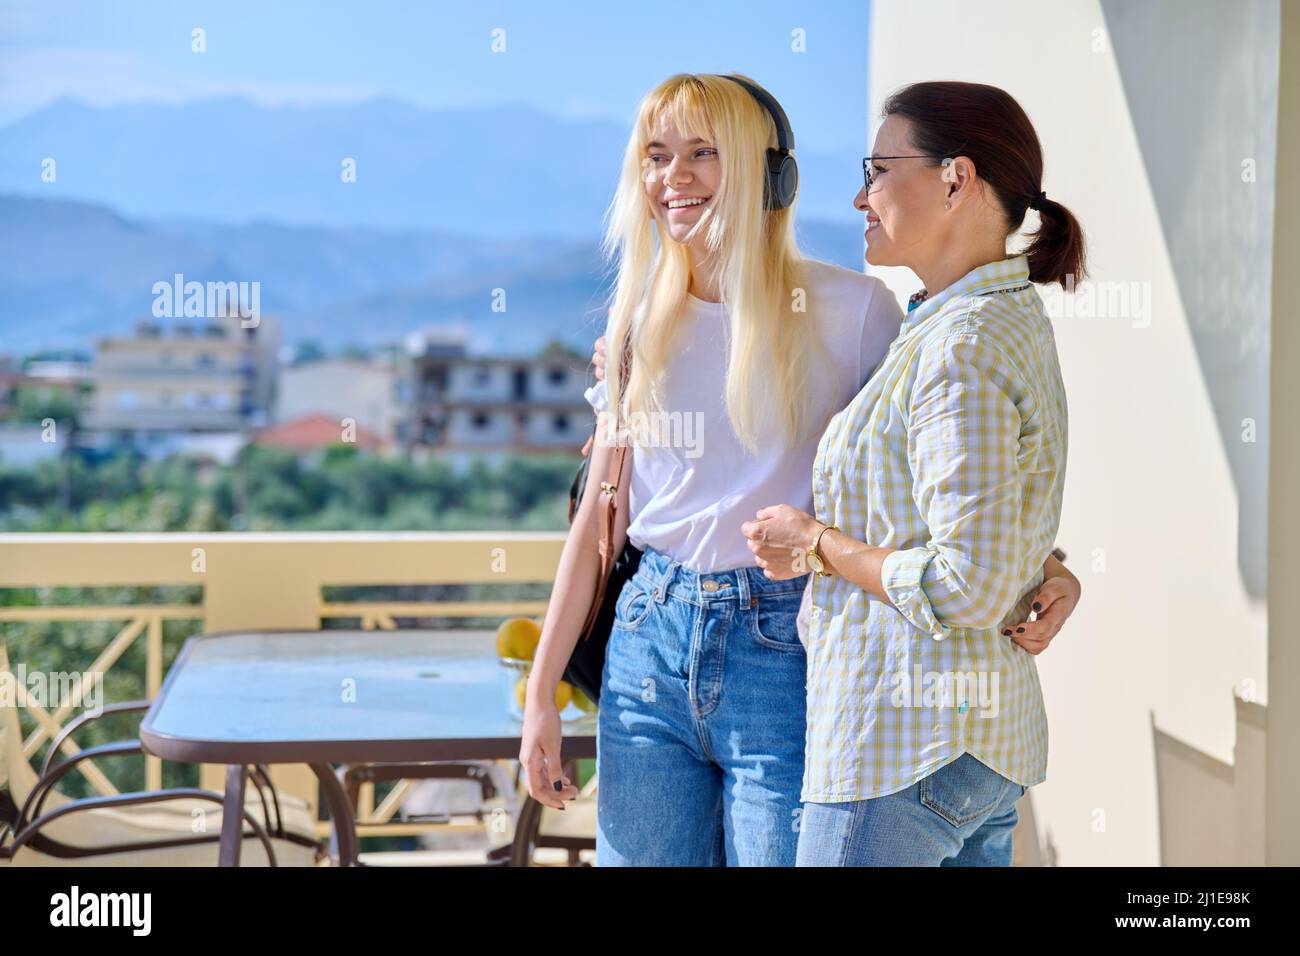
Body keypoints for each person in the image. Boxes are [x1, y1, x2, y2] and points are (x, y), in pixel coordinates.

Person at [523, 73, 1077, 866]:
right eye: (656, 155)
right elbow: (597, 525)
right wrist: (542, 696)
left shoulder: (857, 314)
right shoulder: (638, 326)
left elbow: (938, 473)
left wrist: (1047, 564)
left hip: (785, 643)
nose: (673, 177)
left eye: (703, 152)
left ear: (768, 174)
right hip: (647, 640)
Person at [743, 81, 1082, 866]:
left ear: (956, 180)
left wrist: (815, 542)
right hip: (973, 748)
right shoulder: (986, 318)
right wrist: (1052, 565)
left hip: (900, 749)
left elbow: (969, 583)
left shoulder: (960, 343)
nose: (861, 196)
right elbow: (992, 522)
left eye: (879, 170)